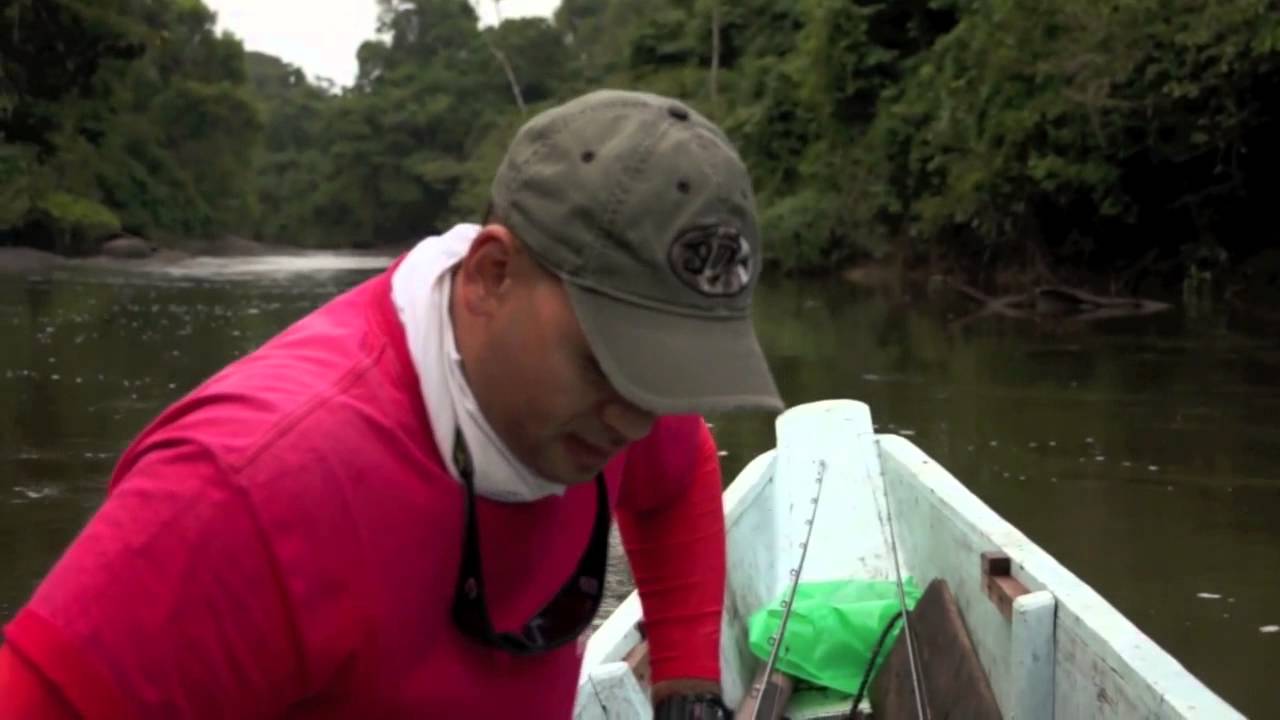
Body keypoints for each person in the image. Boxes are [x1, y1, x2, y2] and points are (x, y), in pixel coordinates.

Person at [0, 88, 783, 718]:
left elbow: (678, 473)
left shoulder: (606, 403)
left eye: (667, 374)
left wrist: (686, 690)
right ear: (491, 276)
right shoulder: (246, 491)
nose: (638, 418)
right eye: (608, 361)